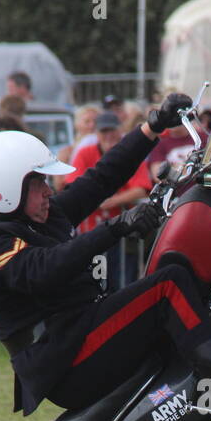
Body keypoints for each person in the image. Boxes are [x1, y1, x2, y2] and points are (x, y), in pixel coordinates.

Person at [0, 91, 211, 421]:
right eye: (37, 184)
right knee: (168, 288)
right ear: (5, 190)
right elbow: (43, 269)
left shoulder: (41, 215)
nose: (48, 190)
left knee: (178, 268)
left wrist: (151, 129)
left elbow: (100, 178)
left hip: (81, 333)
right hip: (64, 360)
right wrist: (117, 226)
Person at [69, 111, 154, 292]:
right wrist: (97, 199)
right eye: (103, 131)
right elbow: (71, 184)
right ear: (97, 134)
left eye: (112, 130)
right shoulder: (85, 152)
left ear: (120, 130)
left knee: (123, 282)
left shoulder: (130, 152)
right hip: (90, 232)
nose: (108, 135)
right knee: (95, 282)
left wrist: (112, 200)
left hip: (121, 231)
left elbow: (142, 188)